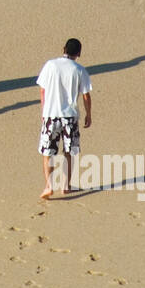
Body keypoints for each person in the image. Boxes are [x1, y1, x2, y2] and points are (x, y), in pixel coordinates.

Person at [36, 38, 92, 199]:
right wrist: (88, 114)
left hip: (51, 115)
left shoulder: (50, 65)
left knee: (48, 152)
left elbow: (42, 90)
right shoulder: (80, 70)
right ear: (79, 53)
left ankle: (48, 185)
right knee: (69, 151)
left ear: (64, 49)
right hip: (70, 117)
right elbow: (86, 95)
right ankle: (66, 185)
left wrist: (43, 111)